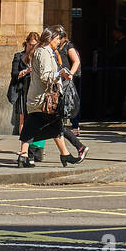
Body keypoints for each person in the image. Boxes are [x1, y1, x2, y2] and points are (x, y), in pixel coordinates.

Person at [16, 26, 82, 168]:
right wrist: (61, 74)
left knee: (42, 124)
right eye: (57, 39)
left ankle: (24, 155)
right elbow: (46, 76)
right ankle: (64, 155)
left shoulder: (44, 51)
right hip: (43, 99)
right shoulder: (44, 52)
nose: (59, 41)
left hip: (38, 98)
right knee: (50, 124)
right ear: (50, 38)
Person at [10, 32, 43, 162]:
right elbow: (14, 74)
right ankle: (24, 149)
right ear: (26, 43)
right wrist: (26, 71)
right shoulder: (19, 56)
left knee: (35, 118)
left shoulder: (38, 57)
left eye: (35, 45)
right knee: (23, 118)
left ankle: (33, 148)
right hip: (23, 90)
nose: (32, 47)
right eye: (30, 44)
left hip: (35, 91)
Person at [55, 29, 88, 161]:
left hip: (64, 84)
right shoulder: (55, 47)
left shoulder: (68, 46)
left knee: (55, 121)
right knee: (54, 123)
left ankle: (29, 152)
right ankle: (69, 152)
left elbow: (76, 61)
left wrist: (70, 75)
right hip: (57, 83)